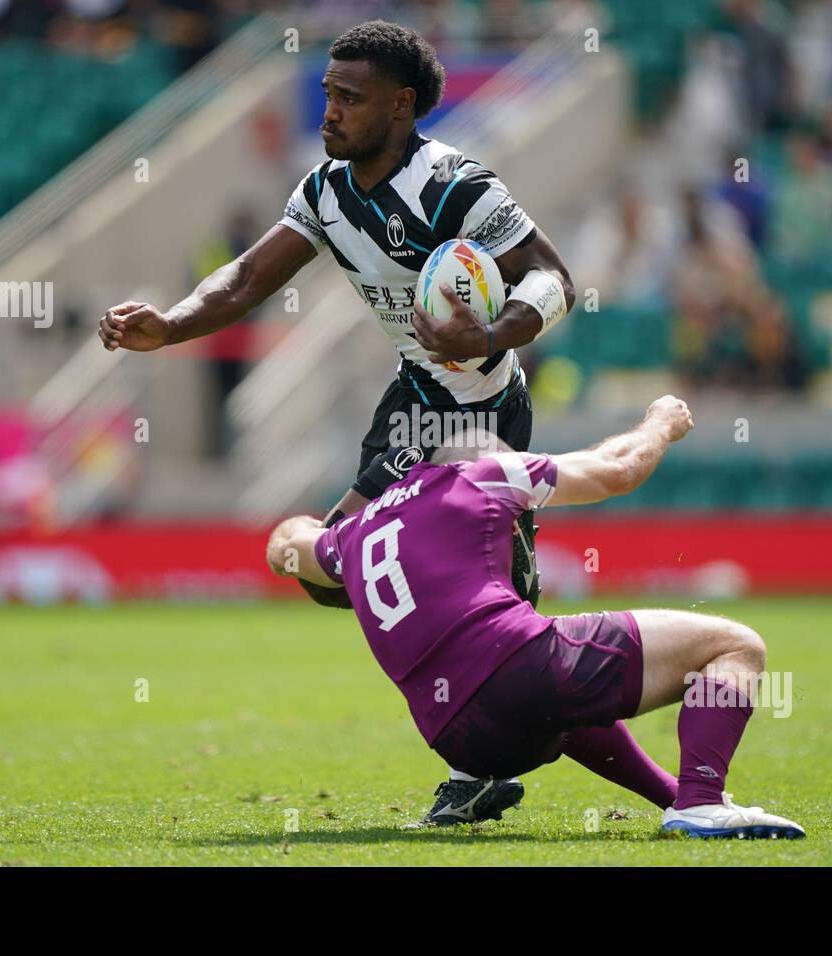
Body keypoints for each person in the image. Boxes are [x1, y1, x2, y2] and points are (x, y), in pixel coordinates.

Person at [99, 20, 578, 822]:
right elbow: (249, 278)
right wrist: (171, 326)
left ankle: (486, 751)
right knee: (335, 573)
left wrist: (486, 334)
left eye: (348, 100)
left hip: (485, 407)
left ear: (400, 107)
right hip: (413, 401)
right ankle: (494, 643)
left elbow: (554, 278)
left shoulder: (458, 185)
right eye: (326, 94)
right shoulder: (323, 190)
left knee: (423, 584)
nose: (328, 113)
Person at [266, 394, 806, 839]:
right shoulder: (480, 474)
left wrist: (324, 520)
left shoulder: (352, 536)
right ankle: (703, 802)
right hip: (517, 672)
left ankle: (677, 799)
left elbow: (284, 545)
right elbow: (617, 469)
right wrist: (660, 421)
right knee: (737, 646)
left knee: (556, 700)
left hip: (461, 739)